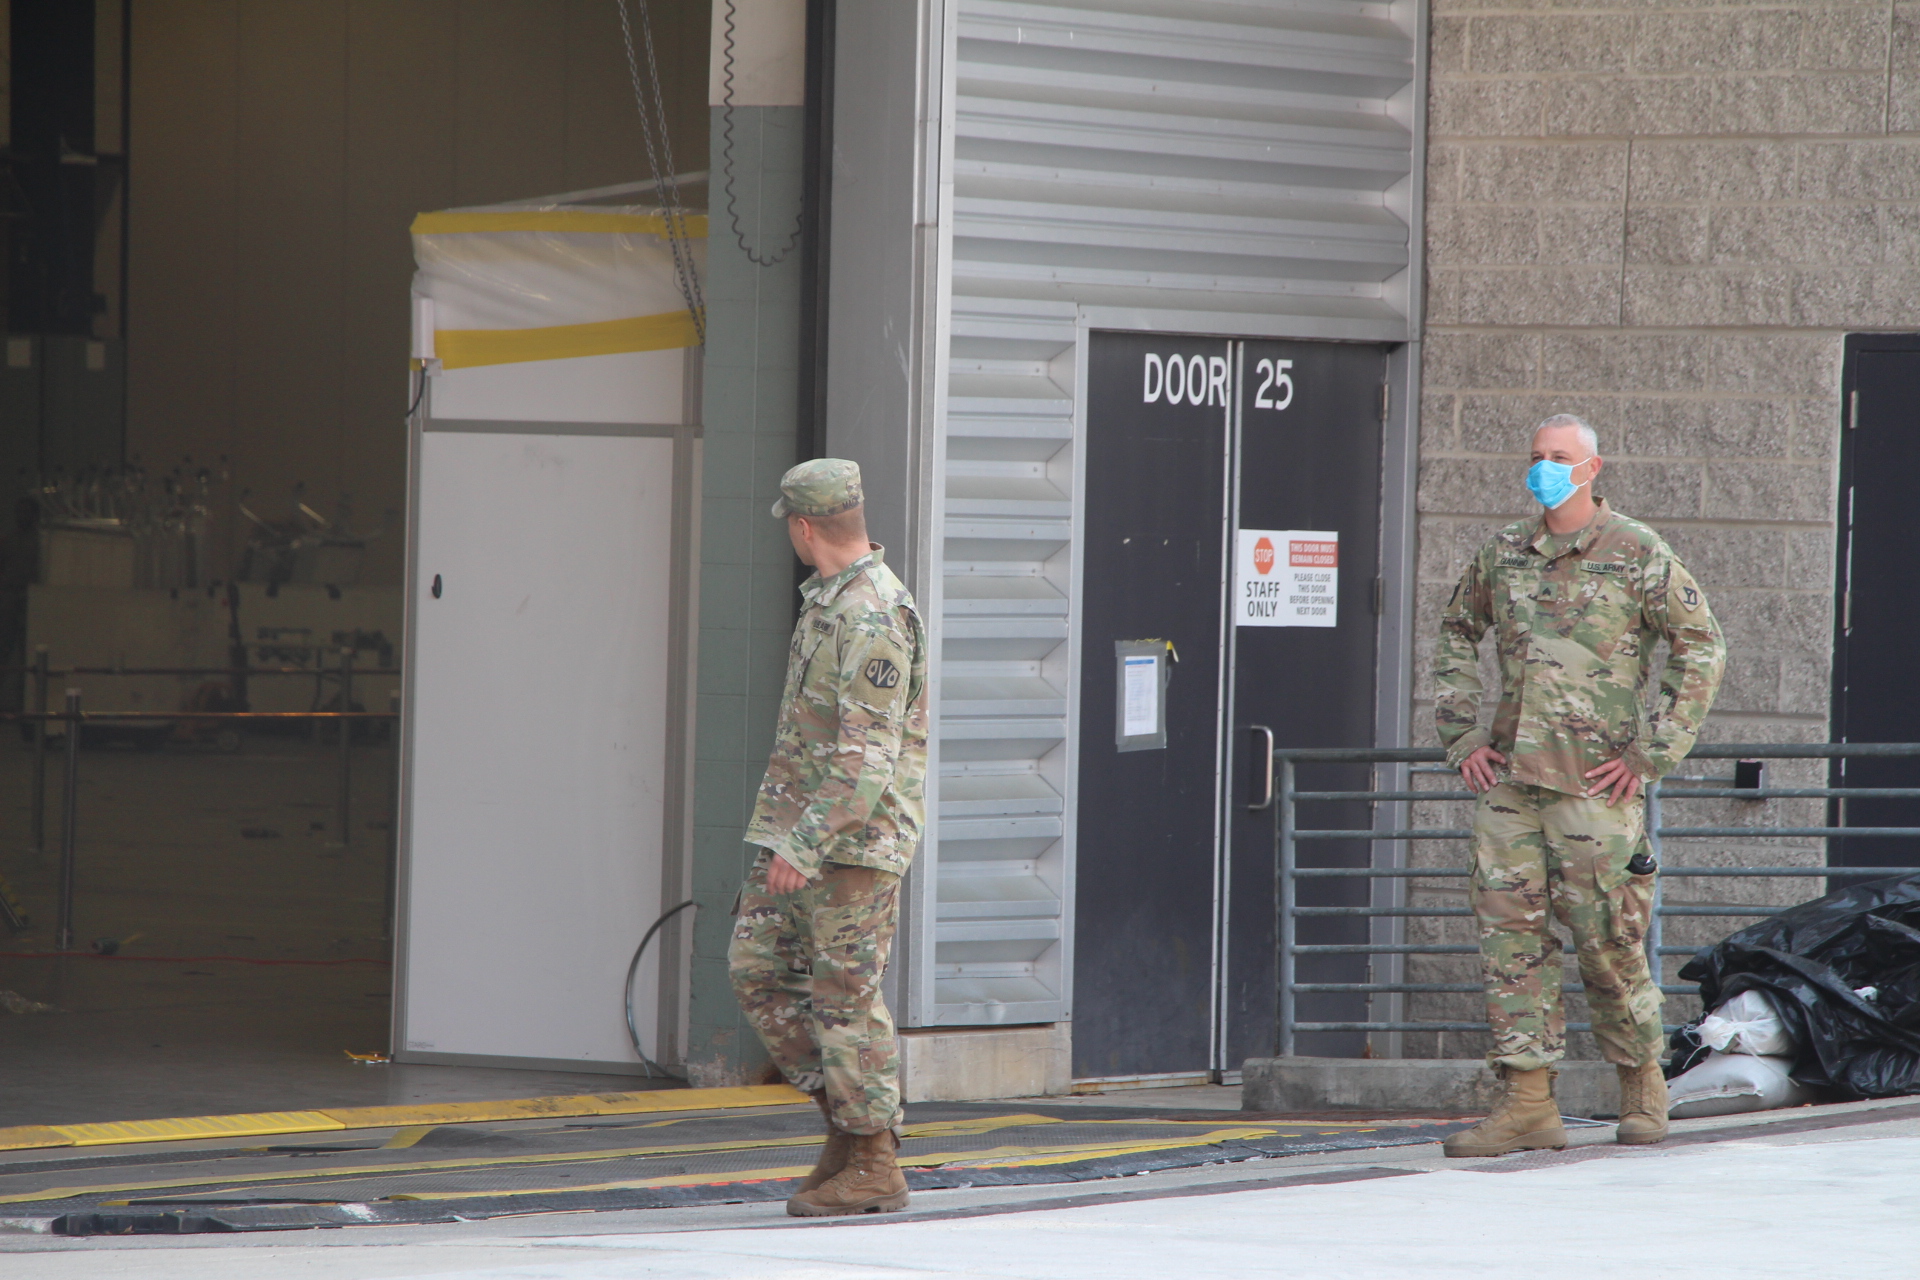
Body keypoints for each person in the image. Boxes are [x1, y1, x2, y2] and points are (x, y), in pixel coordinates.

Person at [1432, 413, 1726, 1157]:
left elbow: (1702, 647)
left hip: (1596, 791)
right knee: (1512, 947)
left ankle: (1641, 1087)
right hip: (1511, 788)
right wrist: (1462, 733)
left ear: (1592, 469)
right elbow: (1456, 633)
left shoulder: (1636, 552)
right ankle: (1527, 1103)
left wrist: (1652, 753)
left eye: (1559, 457)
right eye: (1535, 456)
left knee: (1609, 942)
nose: (1544, 468)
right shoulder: (1504, 552)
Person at [728, 457, 929, 1216]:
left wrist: (802, 845)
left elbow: (866, 759)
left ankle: (874, 1159)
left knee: (846, 996)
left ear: (803, 526)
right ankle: (848, 1128)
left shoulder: (872, 613)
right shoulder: (829, 602)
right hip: (802, 835)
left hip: (849, 845)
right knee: (758, 967)